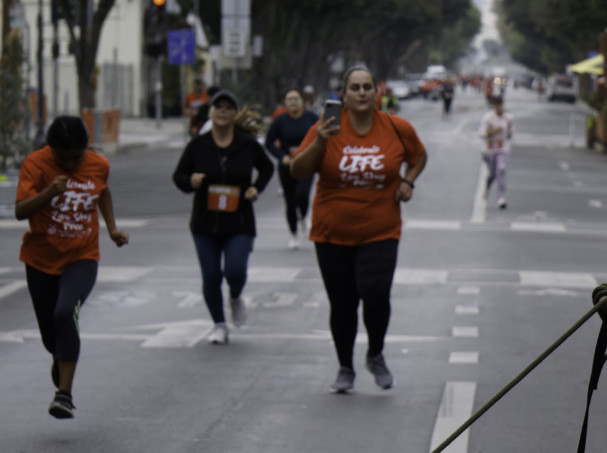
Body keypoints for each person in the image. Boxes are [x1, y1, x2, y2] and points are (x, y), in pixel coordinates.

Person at [290, 63, 427, 393]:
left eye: (368, 87)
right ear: (344, 95)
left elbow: (419, 156)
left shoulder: (396, 128)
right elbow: (297, 170)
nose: (362, 93)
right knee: (343, 303)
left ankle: (375, 353)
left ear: (377, 92)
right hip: (331, 233)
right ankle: (345, 366)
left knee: (376, 296)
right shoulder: (327, 127)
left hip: (381, 231)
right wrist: (320, 142)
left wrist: (407, 181)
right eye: (355, 88)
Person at [15, 115, 129, 419]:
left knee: (65, 312)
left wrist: (112, 229)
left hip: (82, 256)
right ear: (50, 149)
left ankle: (63, 395)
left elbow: (102, 191)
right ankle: (60, 354)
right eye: (62, 158)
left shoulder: (98, 164)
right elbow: (19, 211)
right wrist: (48, 192)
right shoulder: (35, 165)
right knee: (51, 337)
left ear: (85, 148)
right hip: (40, 259)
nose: (68, 163)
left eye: (75, 157)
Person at [172, 89, 274, 344]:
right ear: (211, 112)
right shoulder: (199, 144)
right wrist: (191, 181)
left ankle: (236, 296)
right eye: (219, 107)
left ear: (234, 114)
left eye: (229, 108)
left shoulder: (247, 144)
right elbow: (179, 176)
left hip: (239, 221)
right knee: (211, 276)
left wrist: (256, 188)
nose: (223, 112)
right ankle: (219, 323)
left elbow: (267, 167)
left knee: (235, 270)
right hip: (205, 223)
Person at [265, 87, 320, 249]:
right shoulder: (280, 121)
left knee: (302, 195)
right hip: (287, 164)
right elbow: (269, 142)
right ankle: (293, 234)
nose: (293, 102)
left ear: (302, 101)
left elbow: (321, 136)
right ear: (285, 103)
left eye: (296, 99)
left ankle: (303, 216)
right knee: (290, 200)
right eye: (290, 99)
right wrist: (282, 157)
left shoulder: (311, 118)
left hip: (306, 162)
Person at [479, 95, 513, 209]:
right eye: (496, 104)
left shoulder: (508, 118)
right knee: (492, 174)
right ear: (493, 105)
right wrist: (494, 131)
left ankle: (501, 198)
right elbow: (482, 134)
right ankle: (486, 190)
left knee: (501, 170)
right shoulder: (488, 118)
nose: (498, 107)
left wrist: (507, 133)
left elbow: (509, 134)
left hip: (502, 149)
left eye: (500, 104)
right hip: (489, 150)